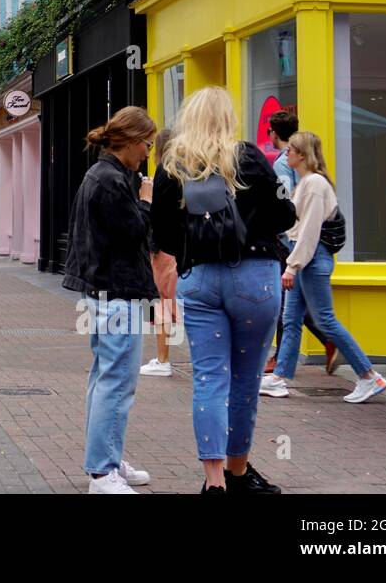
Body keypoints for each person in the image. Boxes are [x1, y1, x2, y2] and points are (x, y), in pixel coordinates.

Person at [152, 86, 296, 494]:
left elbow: (160, 232)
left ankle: (214, 483)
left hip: (198, 280)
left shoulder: (172, 165)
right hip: (255, 276)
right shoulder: (249, 157)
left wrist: (190, 244)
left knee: (209, 379)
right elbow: (285, 214)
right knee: (246, 379)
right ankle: (239, 472)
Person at [63, 106, 158, 494]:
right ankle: (103, 472)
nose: (148, 153)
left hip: (105, 292)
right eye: (147, 145)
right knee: (116, 382)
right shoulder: (111, 180)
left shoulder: (103, 175)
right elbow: (132, 231)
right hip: (117, 293)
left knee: (105, 378)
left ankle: (107, 459)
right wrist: (147, 200)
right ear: (133, 141)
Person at [260, 132, 386, 403]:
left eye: (292, 150)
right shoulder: (308, 182)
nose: (287, 154)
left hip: (312, 258)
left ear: (303, 155)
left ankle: (368, 375)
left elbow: (309, 230)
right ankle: (279, 378)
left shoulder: (315, 183)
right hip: (308, 256)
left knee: (325, 319)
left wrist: (292, 266)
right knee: (292, 320)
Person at [264, 110, 336, 377]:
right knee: (293, 307)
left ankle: (339, 348)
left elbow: (287, 204)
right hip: (300, 241)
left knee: (290, 303)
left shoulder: (283, 164)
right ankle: (286, 362)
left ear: (273, 133)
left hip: (291, 241)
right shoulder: (299, 167)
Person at [141, 129, 178, 377]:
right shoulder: (186, 174)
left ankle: (163, 359)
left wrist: (146, 197)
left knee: (162, 304)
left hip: (164, 249)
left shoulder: (165, 174)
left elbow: (157, 216)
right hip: (181, 250)